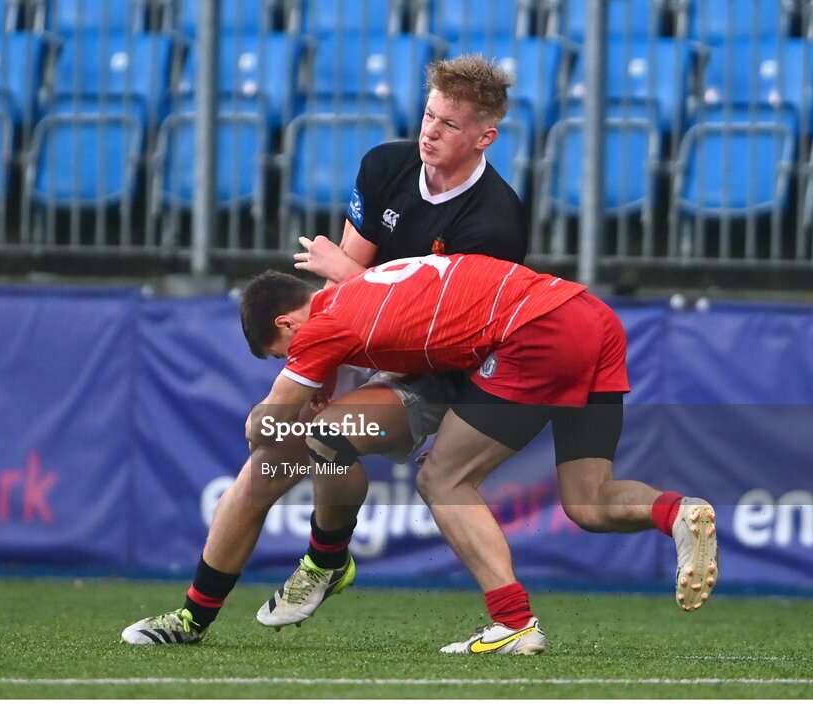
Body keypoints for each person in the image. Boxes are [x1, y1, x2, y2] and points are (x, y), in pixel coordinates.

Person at [122, 54, 529, 646]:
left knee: (321, 436)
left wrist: (348, 276)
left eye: (447, 125)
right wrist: (323, 382)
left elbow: (438, 326)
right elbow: (345, 303)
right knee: (269, 461)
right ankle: (191, 618)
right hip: (374, 342)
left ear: (484, 136)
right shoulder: (387, 166)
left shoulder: (495, 220)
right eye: (427, 114)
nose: (429, 132)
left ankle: (326, 559)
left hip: (440, 371)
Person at [238, 253, 718, 655]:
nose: (292, 358)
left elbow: (266, 424)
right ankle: (677, 511)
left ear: (286, 322)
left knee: (441, 479)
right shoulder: (359, 285)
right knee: (589, 501)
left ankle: (513, 623)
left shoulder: (321, 326)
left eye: (283, 352)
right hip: (591, 316)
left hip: (535, 329)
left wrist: (269, 413)